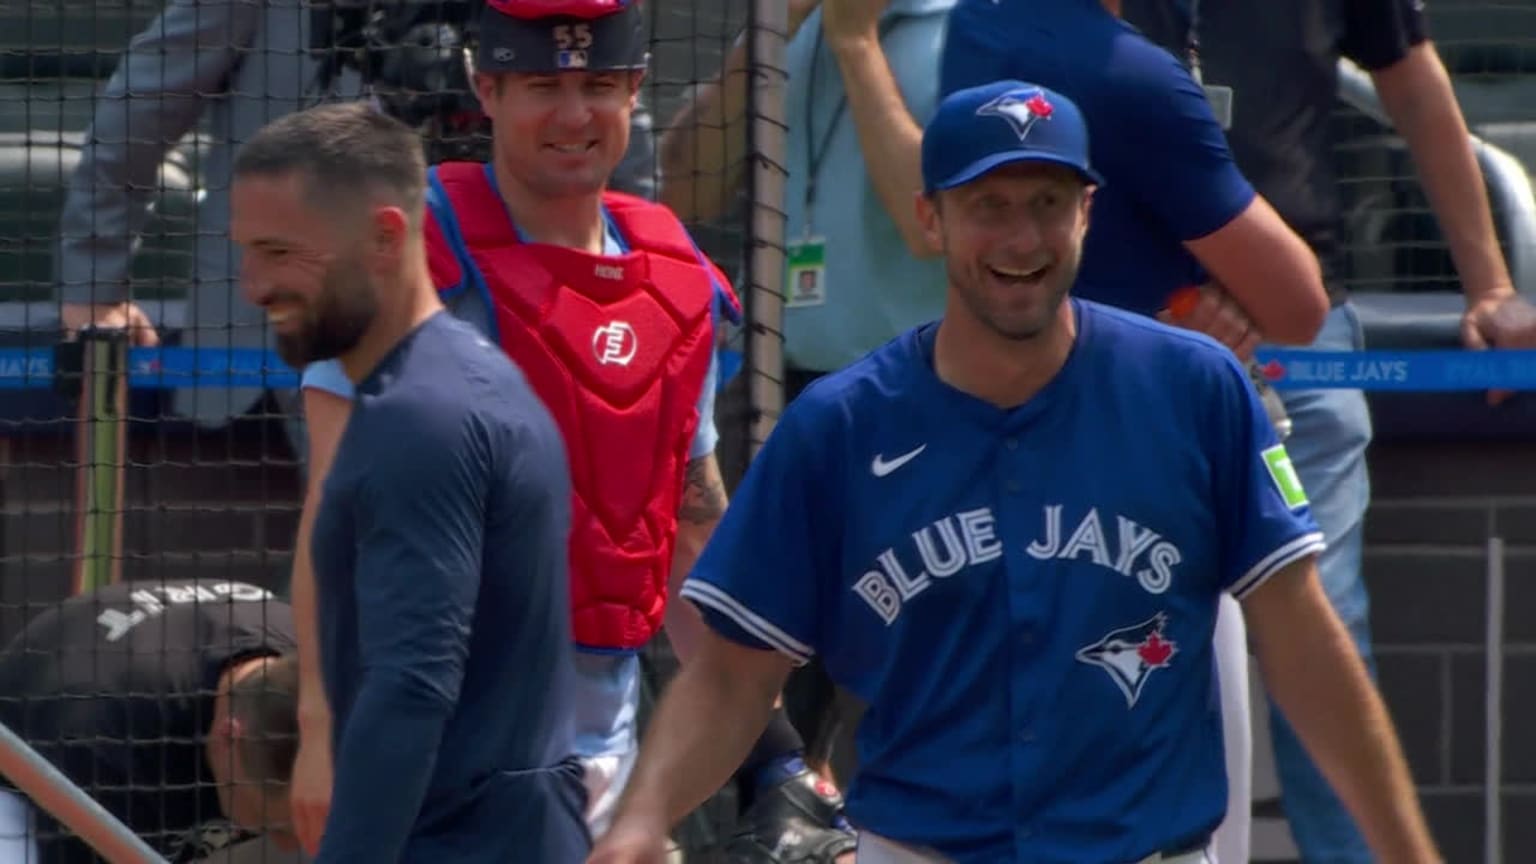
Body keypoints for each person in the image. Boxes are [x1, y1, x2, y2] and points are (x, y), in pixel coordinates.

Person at [588, 81, 1443, 864]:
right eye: (987, 206)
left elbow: (1302, 638)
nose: (1022, 238)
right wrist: (640, 818)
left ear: (1087, 213)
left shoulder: (1194, 389)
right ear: (931, 220)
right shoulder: (840, 427)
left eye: (1048, 203)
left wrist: (1404, 850)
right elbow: (736, 672)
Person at [285, 2, 854, 860]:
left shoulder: (673, 279)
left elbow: (686, 531)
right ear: (488, 88)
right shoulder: (404, 260)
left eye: (597, 85)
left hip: (605, 755)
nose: (573, 115)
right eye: (542, 86)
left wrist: (771, 758)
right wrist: (321, 731)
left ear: (635, 89)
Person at [793, 1, 1335, 858]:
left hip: (943, 469)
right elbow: (1299, 303)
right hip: (1133, 470)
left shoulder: (928, 33)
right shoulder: (1121, 67)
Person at [1116, 1, 1536, 860]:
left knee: (1322, 638)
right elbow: (1063, 118)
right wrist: (1155, 306)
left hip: (1296, 338)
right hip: (1132, 333)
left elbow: (1414, 83)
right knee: (1117, 635)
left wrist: (1489, 286)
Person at [52, 0, 661, 454]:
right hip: (295, 326)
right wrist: (93, 288)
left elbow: (613, 130)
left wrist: (634, 283)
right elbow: (142, 105)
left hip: (506, 313)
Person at [231, 100, 589, 862]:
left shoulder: (417, 419)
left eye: (279, 252)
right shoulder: (469, 378)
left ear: (385, 238)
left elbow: (412, 687)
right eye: (246, 253)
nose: (253, 286)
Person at [0, 578, 300, 864]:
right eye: (274, 825)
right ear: (229, 738)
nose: (290, 843)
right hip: (30, 776)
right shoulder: (103, 738)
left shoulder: (315, 661)